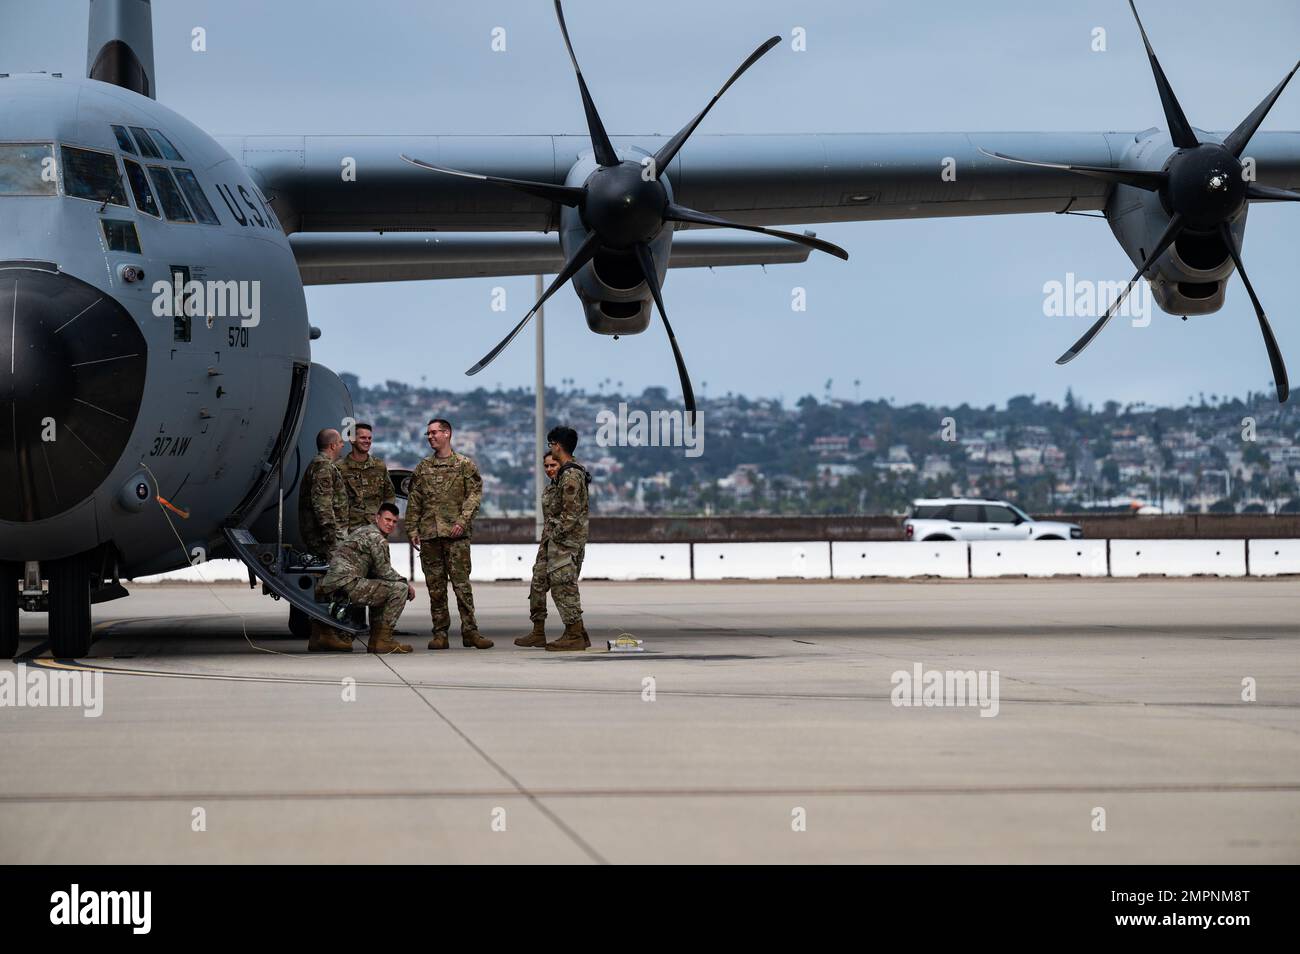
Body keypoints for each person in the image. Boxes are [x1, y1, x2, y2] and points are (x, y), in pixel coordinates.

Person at [405, 418, 492, 650]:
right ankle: (440, 633)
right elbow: (415, 500)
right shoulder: (423, 468)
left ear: (447, 434)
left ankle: (470, 632)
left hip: (456, 537)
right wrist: (412, 528)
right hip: (430, 536)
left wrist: (462, 522)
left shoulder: (464, 465)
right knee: (436, 588)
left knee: (462, 586)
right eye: (428, 434)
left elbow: (474, 497)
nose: (431, 437)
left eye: (434, 432)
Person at [318, 503, 415, 654]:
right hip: (345, 586)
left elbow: (378, 573)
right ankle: (383, 640)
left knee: (382, 587)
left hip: (333, 586)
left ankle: (376, 641)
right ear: (377, 518)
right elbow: (385, 572)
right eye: (387, 520)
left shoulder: (364, 530)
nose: (390, 524)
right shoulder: (377, 538)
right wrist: (406, 583)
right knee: (399, 589)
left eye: (394, 522)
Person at [298, 427, 351, 652]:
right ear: (332, 445)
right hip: (327, 539)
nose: (342, 446)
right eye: (340, 442)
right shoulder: (323, 468)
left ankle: (323, 633)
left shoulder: (320, 466)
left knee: (327, 583)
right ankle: (325, 632)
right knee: (330, 584)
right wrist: (332, 539)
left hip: (324, 537)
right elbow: (323, 506)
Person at [541, 426, 592, 652]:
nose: (550, 448)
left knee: (564, 587)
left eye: (551, 444)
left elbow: (570, 514)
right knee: (563, 586)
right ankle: (577, 632)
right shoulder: (571, 471)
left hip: (566, 542)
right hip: (569, 541)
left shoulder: (570, 474)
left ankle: (574, 634)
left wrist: (556, 535)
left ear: (558, 446)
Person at [515, 452, 562, 647]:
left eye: (553, 465)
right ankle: (538, 631)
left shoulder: (569, 486)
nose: (550, 469)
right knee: (537, 584)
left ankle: (577, 631)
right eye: (547, 466)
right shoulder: (549, 490)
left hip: (563, 546)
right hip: (547, 543)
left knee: (564, 590)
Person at [338, 422, 396, 532]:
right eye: (363, 438)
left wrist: (384, 522)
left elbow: (389, 496)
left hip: (375, 531)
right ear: (352, 440)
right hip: (348, 532)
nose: (367, 441)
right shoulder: (340, 468)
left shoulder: (379, 466)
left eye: (369, 438)